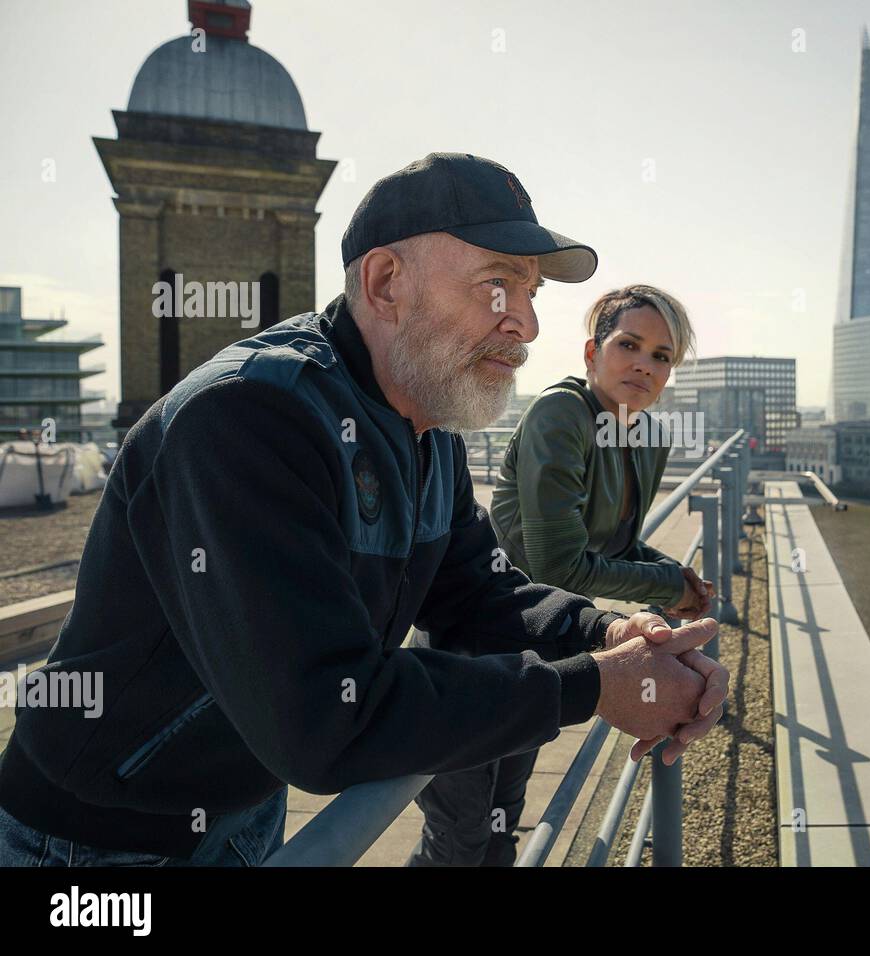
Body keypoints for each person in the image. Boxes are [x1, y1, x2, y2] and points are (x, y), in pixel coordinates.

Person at [0, 152, 727, 867]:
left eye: (532, 291)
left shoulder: (425, 422)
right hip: (94, 843)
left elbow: (478, 589)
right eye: (498, 284)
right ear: (385, 283)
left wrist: (613, 630)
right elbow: (325, 718)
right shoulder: (248, 417)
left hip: (244, 805)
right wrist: (597, 684)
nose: (527, 324)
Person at [407, 284, 718, 867]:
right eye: (629, 344)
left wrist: (678, 577)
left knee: (503, 820)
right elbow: (557, 564)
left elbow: (616, 544)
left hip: (549, 647)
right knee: (458, 836)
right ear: (591, 352)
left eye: (661, 356)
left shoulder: (644, 435)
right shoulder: (560, 414)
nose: (643, 365)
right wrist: (665, 587)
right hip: (477, 641)